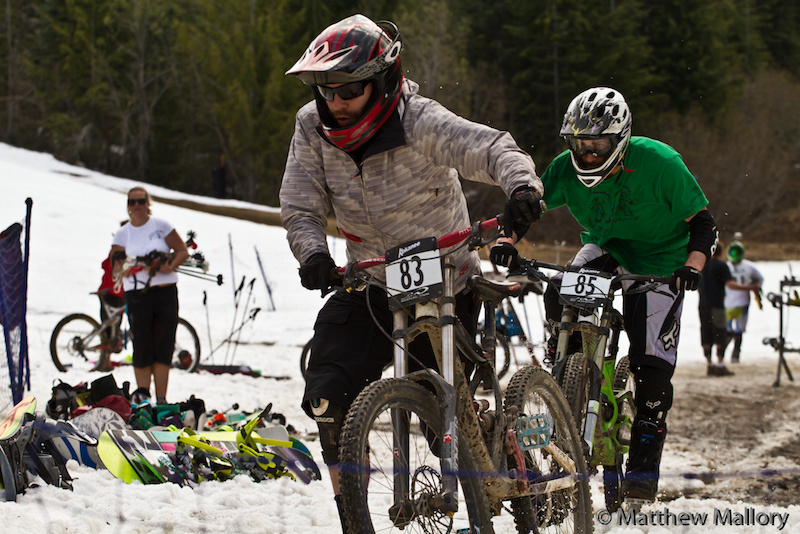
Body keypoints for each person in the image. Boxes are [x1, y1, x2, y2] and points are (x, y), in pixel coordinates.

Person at [279, 14, 542, 530]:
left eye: (348, 88)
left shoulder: (417, 119)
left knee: (442, 412)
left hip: (445, 280)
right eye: (324, 89)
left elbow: (490, 148)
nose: (334, 101)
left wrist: (521, 189)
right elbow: (300, 204)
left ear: (381, 80)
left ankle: (507, 457)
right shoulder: (311, 128)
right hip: (373, 279)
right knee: (328, 397)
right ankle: (352, 515)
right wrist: (311, 254)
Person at [491, 87, 718, 505]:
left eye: (598, 145)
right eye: (581, 145)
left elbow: (704, 223)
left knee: (652, 367)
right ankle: (567, 365)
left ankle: (644, 465)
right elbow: (527, 205)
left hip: (660, 260)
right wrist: (508, 237)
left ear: (622, 139)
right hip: (607, 245)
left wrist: (692, 268)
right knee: (564, 286)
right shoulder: (565, 168)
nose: (589, 155)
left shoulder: (661, 163)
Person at [109, 187, 188, 405]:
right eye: (132, 202)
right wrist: (128, 266)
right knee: (142, 343)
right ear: (128, 205)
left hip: (165, 292)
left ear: (147, 203)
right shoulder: (123, 233)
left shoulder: (161, 226)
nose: (136, 206)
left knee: (164, 342)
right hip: (137, 294)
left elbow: (182, 250)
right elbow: (115, 265)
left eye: (140, 201)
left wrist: (168, 265)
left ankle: (161, 398)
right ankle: (143, 393)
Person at [698, 243, 735, 376]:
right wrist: (749, 288)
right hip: (717, 304)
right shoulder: (721, 265)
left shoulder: (702, 265)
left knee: (706, 332)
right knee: (720, 332)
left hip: (703, 304)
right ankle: (720, 364)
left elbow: (697, 286)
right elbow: (730, 284)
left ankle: (709, 364)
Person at [723, 241, 763, 363]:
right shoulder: (725, 266)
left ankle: (735, 354)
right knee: (728, 331)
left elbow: (759, 278)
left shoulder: (749, 267)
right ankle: (722, 353)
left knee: (738, 331)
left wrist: (756, 286)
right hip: (727, 303)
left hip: (742, 303)